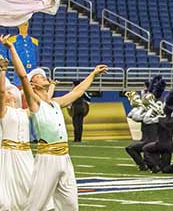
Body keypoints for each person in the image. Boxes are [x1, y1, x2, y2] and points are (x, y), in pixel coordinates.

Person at [2, 34, 107, 211]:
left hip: (65, 157)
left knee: (71, 205)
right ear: (33, 85)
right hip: (47, 158)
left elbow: (77, 92)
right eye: (39, 77)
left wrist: (93, 74)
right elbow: (22, 76)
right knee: (36, 205)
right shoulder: (35, 104)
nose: (44, 77)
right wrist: (11, 48)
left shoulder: (56, 103)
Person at [0, 57, 35, 211]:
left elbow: (39, 104)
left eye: (12, 91)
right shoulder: (3, 111)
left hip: (25, 155)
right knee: (6, 198)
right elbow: (1, 91)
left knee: (31, 192)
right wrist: (2, 71)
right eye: (9, 92)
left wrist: (46, 89)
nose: (12, 94)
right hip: (8, 155)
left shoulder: (23, 112)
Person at [126, 78, 165, 171]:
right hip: (148, 137)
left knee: (130, 148)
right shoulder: (154, 106)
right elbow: (133, 116)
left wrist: (142, 108)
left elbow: (137, 117)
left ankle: (143, 165)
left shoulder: (155, 107)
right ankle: (146, 164)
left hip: (150, 140)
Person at [143, 88, 173, 174]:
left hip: (159, 144)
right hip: (169, 145)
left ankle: (154, 166)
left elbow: (146, 120)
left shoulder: (159, 119)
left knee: (145, 149)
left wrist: (152, 109)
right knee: (165, 169)